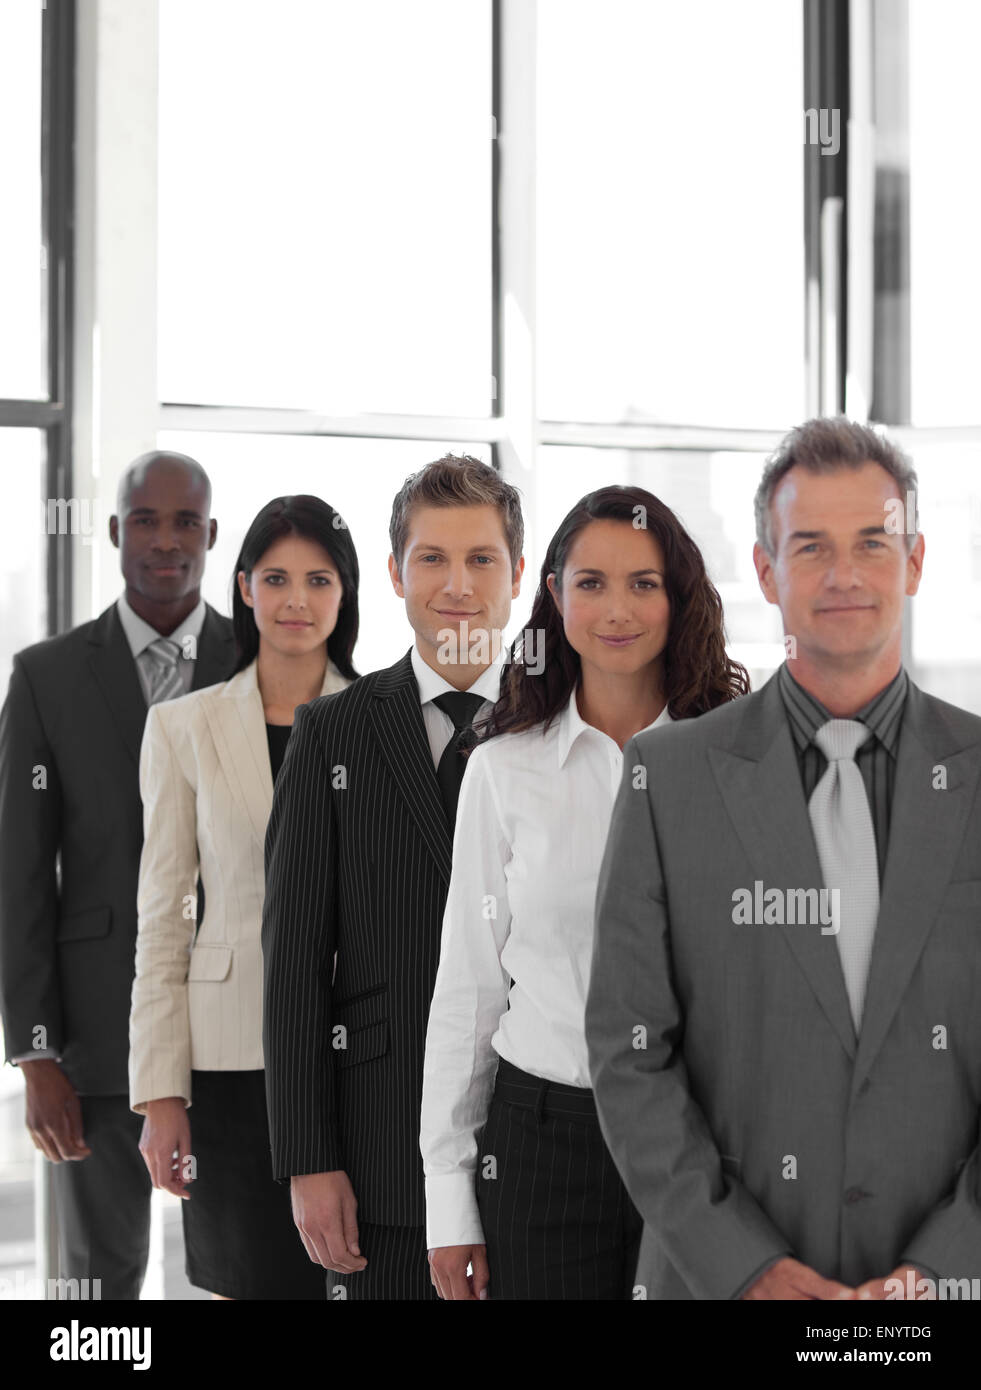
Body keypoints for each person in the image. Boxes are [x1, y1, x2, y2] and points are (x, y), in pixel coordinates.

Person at [586, 417, 981, 1300]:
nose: (843, 575)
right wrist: (745, 1267)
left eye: (871, 544)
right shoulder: (667, 777)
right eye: (809, 547)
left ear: (914, 561)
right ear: (765, 572)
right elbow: (627, 1050)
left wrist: (947, 1263)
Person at [421, 486, 749, 1300]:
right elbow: (467, 989)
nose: (616, 608)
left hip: (703, 1137)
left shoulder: (741, 763)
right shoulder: (502, 769)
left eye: (644, 582)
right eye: (591, 582)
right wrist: (448, 1199)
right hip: (543, 1143)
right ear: (555, 596)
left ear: (679, 600)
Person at [261, 454, 525, 1300]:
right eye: (432, 559)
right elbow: (294, 964)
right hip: (381, 1156)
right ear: (393, 574)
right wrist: (309, 1160)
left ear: (518, 574)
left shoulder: (566, 728)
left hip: (545, 1150)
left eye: (481, 559)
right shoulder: (332, 734)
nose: (457, 584)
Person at [0, 452, 235, 1300]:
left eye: (184, 523)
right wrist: (34, 1055)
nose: (165, 540)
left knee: (237, 1269)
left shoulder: (262, 662)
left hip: (234, 1033)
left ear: (211, 535)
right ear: (113, 531)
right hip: (94, 1041)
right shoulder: (47, 676)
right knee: (96, 1287)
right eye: (145, 518)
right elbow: (18, 876)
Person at [129, 495, 359, 1300]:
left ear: (345, 594)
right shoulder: (183, 729)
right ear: (245, 588)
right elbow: (161, 920)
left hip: (355, 1057)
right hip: (230, 1065)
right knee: (253, 1284)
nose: (297, 599)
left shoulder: (380, 724)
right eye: (276, 577)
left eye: (319, 578)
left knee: (355, 1278)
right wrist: (160, 1095)